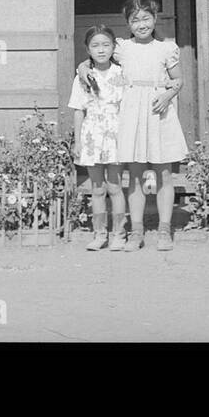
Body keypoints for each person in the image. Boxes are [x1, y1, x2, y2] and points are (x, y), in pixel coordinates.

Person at [80, 0, 187, 251]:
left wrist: (168, 94)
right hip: (131, 113)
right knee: (136, 175)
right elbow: (97, 54)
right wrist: (82, 67)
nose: (142, 24)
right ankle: (136, 230)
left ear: (155, 18)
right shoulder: (122, 47)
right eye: (135, 19)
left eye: (146, 18)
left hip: (158, 111)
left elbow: (178, 80)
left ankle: (164, 230)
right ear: (128, 23)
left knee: (164, 173)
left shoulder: (166, 48)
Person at [67, 25, 128, 251]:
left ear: (113, 47)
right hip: (92, 135)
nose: (101, 50)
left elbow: (127, 105)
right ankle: (99, 233)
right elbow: (78, 110)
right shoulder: (83, 76)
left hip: (115, 135)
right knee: (97, 188)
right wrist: (78, 142)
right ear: (87, 49)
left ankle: (119, 234)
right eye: (95, 46)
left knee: (115, 187)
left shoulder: (121, 74)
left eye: (106, 45)